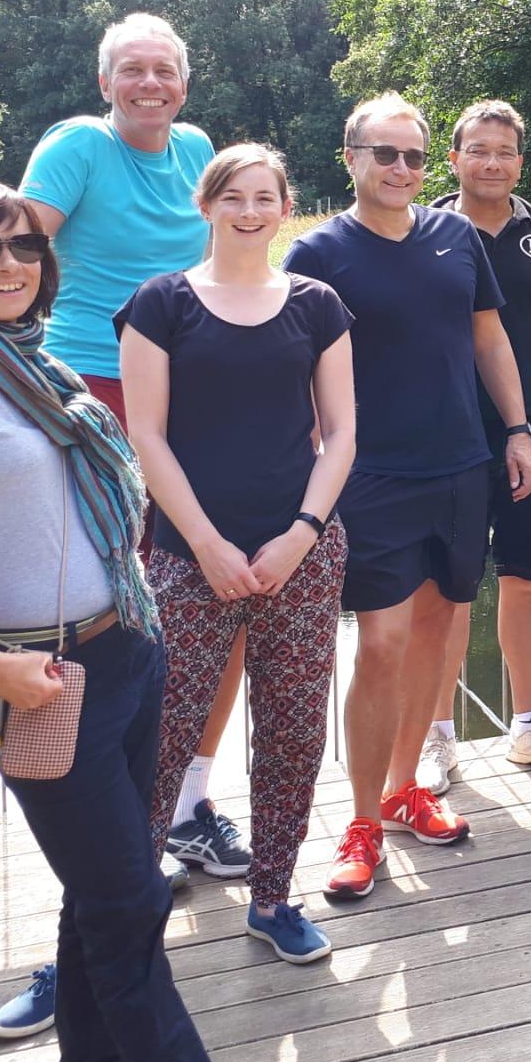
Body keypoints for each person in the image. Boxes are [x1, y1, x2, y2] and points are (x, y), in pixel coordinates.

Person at [0, 181, 210, 1062]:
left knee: (100, 892)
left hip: (126, 646)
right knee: (131, 900)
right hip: (39, 681)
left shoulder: (33, 361)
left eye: (25, 246)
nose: (10, 263)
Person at [284, 92, 531, 899]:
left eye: (412, 157)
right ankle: (361, 819)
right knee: (384, 643)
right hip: (371, 475)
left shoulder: (456, 235)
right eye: (383, 154)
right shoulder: (318, 252)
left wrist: (521, 428)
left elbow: (488, 337)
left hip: (462, 463)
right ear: (351, 159)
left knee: (437, 634)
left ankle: (403, 789)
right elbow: (288, 365)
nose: (399, 169)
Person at [117, 144, 357, 964]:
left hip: (300, 555)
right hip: (189, 559)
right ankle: (117, 917)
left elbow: (342, 433)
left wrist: (302, 533)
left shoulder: (317, 303)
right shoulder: (161, 303)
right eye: (234, 196)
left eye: (266, 197)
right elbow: (144, 434)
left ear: (286, 207)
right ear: (207, 203)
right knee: (158, 734)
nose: (250, 211)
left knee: (292, 731)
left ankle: (274, 900)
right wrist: (208, 544)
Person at [425, 99, 531, 785]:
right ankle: (436, 736)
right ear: (455, 158)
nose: (492, 162)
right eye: (479, 150)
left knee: (529, 579)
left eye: (505, 152)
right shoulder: (425, 229)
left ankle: (530, 728)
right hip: (448, 436)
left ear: (520, 162)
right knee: (449, 588)